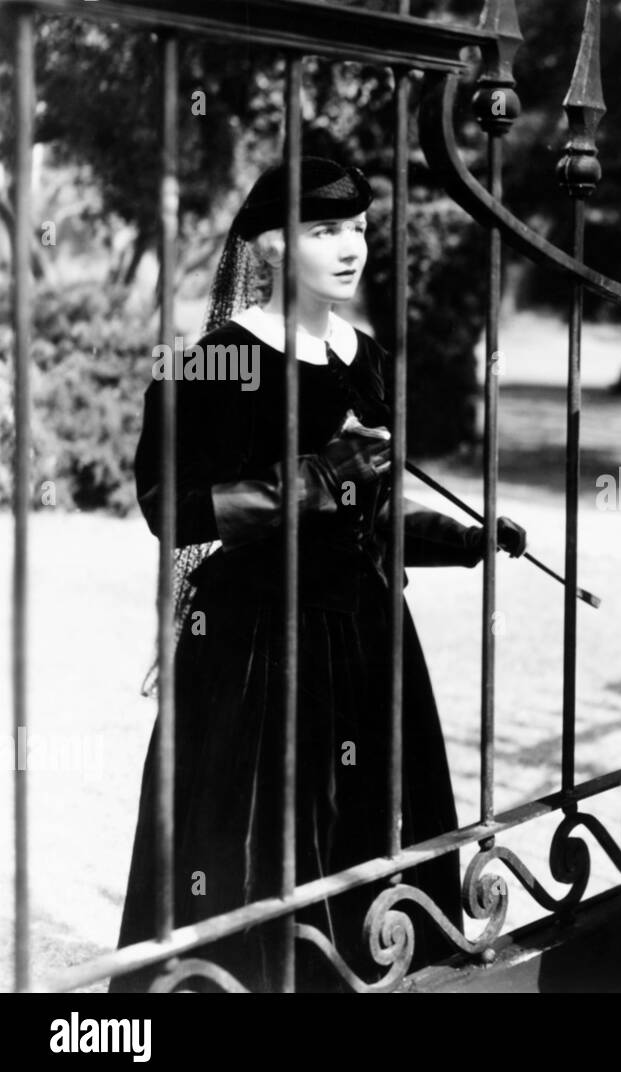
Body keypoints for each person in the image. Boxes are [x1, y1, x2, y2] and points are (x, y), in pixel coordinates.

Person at [111, 157, 526, 992]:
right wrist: (312, 475)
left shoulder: (366, 359)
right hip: (258, 645)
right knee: (262, 847)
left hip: (367, 638)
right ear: (267, 246)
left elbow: (374, 518)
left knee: (371, 837)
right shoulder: (215, 362)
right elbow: (171, 506)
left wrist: (467, 539)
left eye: (359, 229)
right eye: (324, 230)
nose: (350, 248)